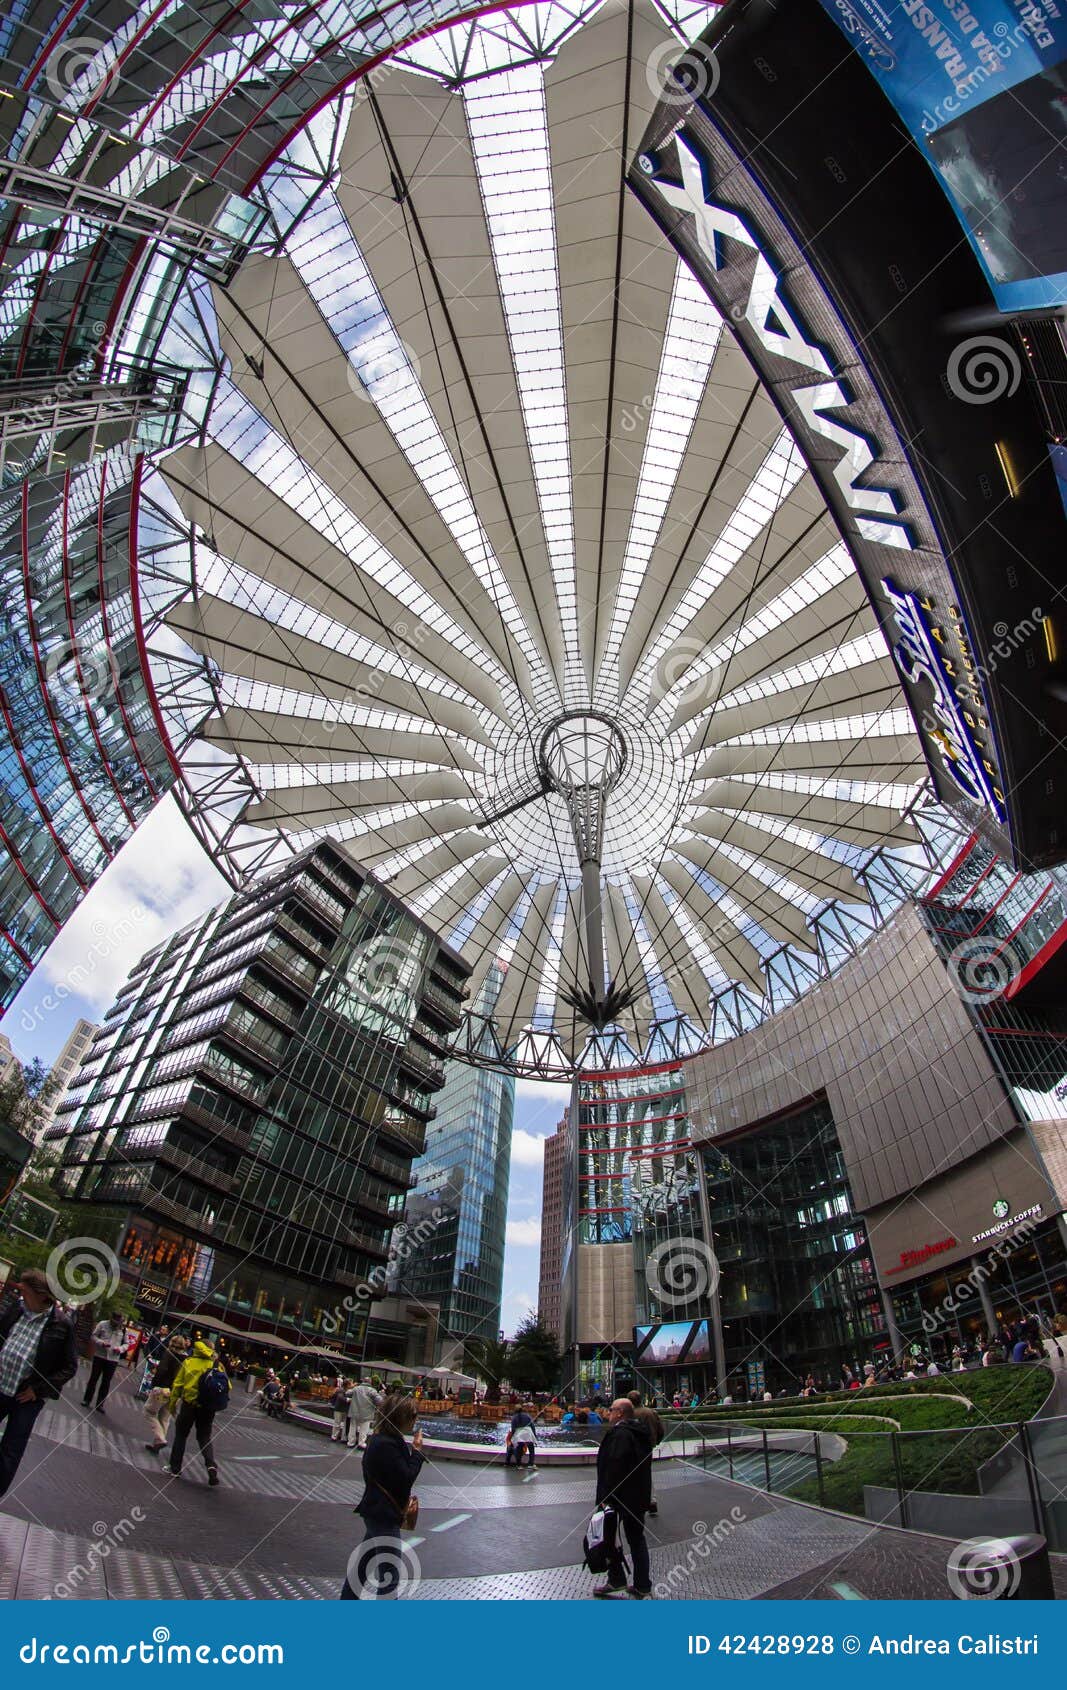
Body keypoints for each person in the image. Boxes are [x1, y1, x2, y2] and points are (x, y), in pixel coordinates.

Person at [0, 1269, 77, 1496]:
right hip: (1, 1383)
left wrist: (38, 1390)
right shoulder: (17, 1308)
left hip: (26, 1397)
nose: (21, 1295)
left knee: (11, 1449)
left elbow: (69, 1367)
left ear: (42, 1295)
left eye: (26, 1292)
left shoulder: (61, 1324)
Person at [341, 1394, 424, 1599]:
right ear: (400, 1417)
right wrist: (417, 1453)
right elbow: (406, 1478)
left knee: (362, 1567)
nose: (416, 1420)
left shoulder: (382, 1440)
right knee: (390, 1576)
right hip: (383, 1514)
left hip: (376, 1511)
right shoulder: (388, 1445)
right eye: (413, 1415)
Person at [591, 1399, 653, 1600]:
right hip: (638, 1496)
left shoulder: (621, 1435)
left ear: (619, 1413)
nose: (607, 1412)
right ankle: (642, 1584)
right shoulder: (640, 1433)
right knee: (637, 1539)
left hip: (618, 1498)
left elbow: (614, 1467)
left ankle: (616, 1579)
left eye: (611, 1409)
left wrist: (605, 1498)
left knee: (609, 1537)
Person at [167, 1338, 224, 1486]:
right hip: (208, 1407)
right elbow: (226, 1385)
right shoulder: (217, 1364)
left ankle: (175, 1468)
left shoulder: (189, 1362)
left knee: (181, 1434)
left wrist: (172, 1405)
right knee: (204, 1437)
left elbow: (178, 1385)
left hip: (189, 1405)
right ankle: (210, 1464)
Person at [144, 1334, 187, 1454]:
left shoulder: (169, 1354)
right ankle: (157, 1444)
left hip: (164, 1388)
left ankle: (160, 1439)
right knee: (164, 1417)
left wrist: (154, 1384)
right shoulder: (186, 1358)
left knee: (149, 1412)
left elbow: (162, 1370)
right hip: (176, 1392)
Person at [82, 1307, 129, 1413]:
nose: (116, 1324)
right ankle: (87, 1399)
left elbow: (127, 1344)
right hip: (100, 1355)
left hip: (113, 1359)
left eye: (118, 1322)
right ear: (111, 1319)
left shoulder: (124, 1329)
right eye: (114, 1321)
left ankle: (100, 1404)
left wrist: (120, 1349)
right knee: (93, 1379)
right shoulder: (102, 1324)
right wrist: (101, 1343)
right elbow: (93, 1336)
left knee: (106, 1382)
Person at [627, 1389, 664, 1517]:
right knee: (646, 1472)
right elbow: (660, 1430)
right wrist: (655, 1442)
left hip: (631, 1449)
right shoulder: (651, 1412)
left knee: (631, 1474)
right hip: (647, 1448)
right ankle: (651, 1501)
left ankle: (635, 1502)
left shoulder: (629, 1414)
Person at [347, 1376, 383, 1450]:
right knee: (364, 1429)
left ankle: (351, 1442)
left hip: (354, 1411)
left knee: (353, 1427)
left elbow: (347, 1393)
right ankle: (361, 1443)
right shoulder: (372, 1390)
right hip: (367, 1413)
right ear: (370, 1382)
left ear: (363, 1381)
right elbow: (379, 1400)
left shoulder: (356, 1388)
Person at [506, 1404, 538, 1469]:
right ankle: (531, 1463)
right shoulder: (527, 1416)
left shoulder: (514, 1417)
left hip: (519, 1434)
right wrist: (534, 1436)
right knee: (531, 1449)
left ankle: (519, 1464)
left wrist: (513, 1437)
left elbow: (513, 1428)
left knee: (519, 1449)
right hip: (528, 1433)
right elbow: (532, 1426)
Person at [330, 1378, 350, 1442]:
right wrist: (349, 1399)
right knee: (337, 1423)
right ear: (348, 1384)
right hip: (339, 1409)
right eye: (351, 1383)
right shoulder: (341, 1390)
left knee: (345, 1424)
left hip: (345, 1410)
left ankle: (343, 1437)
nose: (352, 1384)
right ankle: (334, 1436)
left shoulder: (349, 1390)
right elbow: (341, 1397)